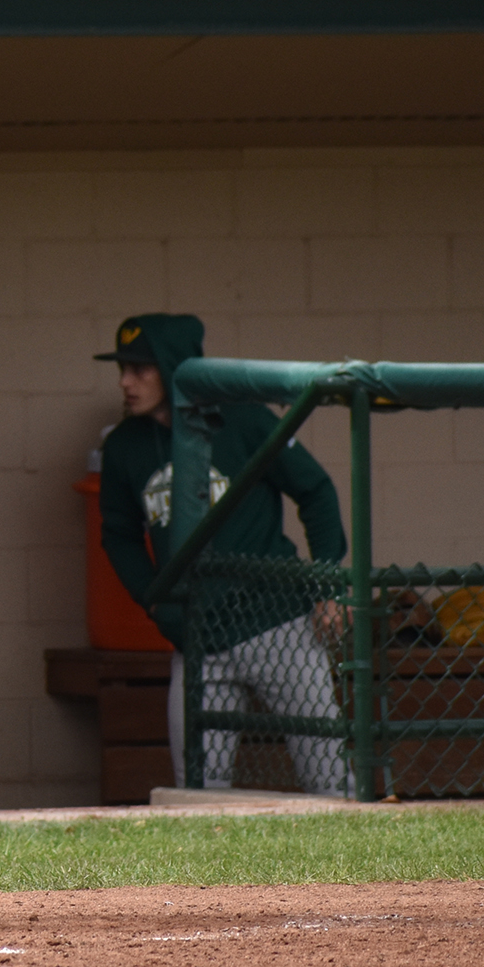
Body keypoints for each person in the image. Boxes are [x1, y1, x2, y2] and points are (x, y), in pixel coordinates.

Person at [94, 314, 350, 794]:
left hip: (277, 623)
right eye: (123, 368)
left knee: (330, 776)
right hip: (196, 638)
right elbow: (118, 533)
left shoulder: (243, 419)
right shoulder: (125, 446)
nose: (126, 382)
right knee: (195, 793)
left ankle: (362, 871)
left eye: (141, 369)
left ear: (173, 368)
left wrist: (325, 584)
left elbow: (315, 491)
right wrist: (155, 598)